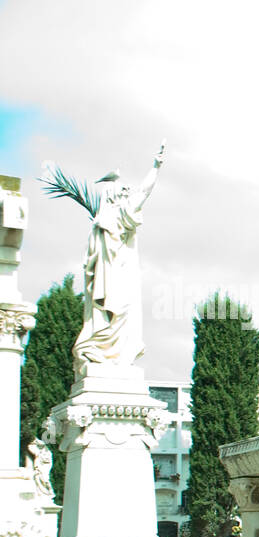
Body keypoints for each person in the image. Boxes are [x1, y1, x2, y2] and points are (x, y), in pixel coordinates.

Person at [73, 141, 165, 374]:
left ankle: (116, 356)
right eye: (123, 191)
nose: (127, 194)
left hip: (119, 278)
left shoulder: (112, 219)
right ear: (114, 196)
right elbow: (90, 264)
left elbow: (144, 192)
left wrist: (155, 167)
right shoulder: (107, 222)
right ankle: (103, 354)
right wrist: (155, 167)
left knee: (122, 314)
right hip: (111, 279)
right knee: (114, 313)